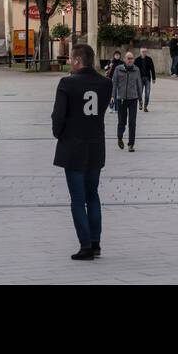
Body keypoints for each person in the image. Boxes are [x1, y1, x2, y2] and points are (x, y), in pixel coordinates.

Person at [52, 43, 112, 261]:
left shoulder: (67, 83)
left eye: (70, 58)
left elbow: (58, 117)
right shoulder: (106, 83)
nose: (69, 61)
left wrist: (59, 133)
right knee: (93, 195)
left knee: (77, 199)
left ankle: (85, 245)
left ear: (77, 60)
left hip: (73, 146)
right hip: (96, 144)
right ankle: (96, 242)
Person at [112, 51, 142, 151]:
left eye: (132, 58)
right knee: (122, 122)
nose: (130, 60)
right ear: (124, 59)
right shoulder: (118, 69)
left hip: (133, 99)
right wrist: (113, 96)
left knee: (132, 122)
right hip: (121, 99)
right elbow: (114, 83)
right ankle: (120, 137)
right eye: (128, 58)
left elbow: (139, 84)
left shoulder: (136, 70)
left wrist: (140, 99)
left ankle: (131, 144)